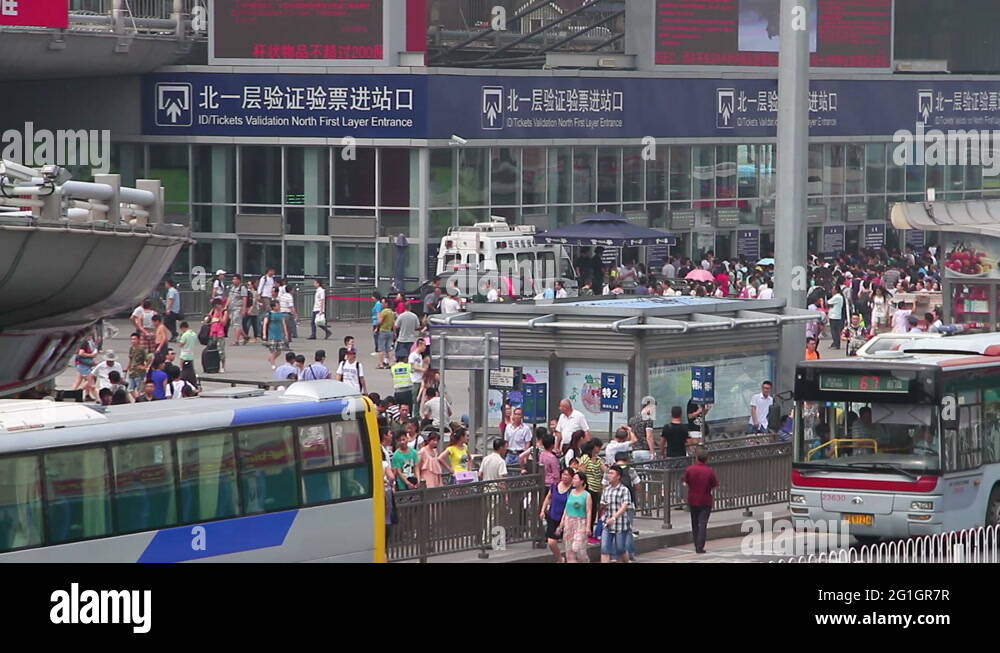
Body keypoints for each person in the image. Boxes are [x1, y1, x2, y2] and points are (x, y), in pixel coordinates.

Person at [683, 448, 719, 554]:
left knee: (694, 523)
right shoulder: (709, 471)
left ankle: (696, 543)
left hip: (692, 499)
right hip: (705, 499)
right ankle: (700, 546)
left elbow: (685, 483)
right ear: (707, 459)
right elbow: (714, 485)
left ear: (696, 457)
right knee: (703, 523)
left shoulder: (690, 469)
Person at [600, 465, 633, 564]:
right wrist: (603, 507)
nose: (609, 476)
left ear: (618, 476)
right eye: (608, 473)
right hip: (607, 523)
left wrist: (614, 518)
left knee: (620, 548)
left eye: (611, 473)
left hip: (620, 524)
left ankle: (626, 561)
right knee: (604, 548)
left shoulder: (624, 490)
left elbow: (624, 506)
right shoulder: (606, 490)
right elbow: (602, 503)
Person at [541, 467, 574, 562]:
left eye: (567, 475)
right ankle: (560, 558)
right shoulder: (554, 486)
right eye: (563, 474)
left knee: (568, 543)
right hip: (553, 516)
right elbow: (548, 498)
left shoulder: (572, 490)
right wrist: (543, 510)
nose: (565, 477)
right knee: (551, 542)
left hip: (566, 519)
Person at [559, 471, 593, 564]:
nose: (573, 480)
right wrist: (562, 522)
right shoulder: (571, 492)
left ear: (582, 481)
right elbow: (566, 508)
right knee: (569, 549)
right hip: (569, 521)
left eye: (575, 478)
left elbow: (589, 511)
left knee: (577, 547)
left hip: (580, 522)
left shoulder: (587, 495)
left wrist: (588, 527)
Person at [579, 439, 605, 541]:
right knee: (588, 510)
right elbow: (581, 471)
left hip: (596, 488)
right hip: (589, 487)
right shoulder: (585, 458)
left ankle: (590, 530)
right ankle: (585, 530)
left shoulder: (598, 459)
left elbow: (604, 469)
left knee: (594, 510)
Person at [629, 396, 658, 462]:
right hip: (645, 451)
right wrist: (652, 452)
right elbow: (649, 437)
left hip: (635, 451)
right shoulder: (648, 419)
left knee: (639, 471)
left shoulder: (633, 419)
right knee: (648, 471)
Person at [263, 300, 290, 369]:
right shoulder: (269, 314)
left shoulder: (281, 314)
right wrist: (264, 334)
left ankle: (271, 358)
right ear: (273, 306)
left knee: (279, 351)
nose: (279, 306)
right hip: (272, 335)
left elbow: (283, 324)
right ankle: (273, 364)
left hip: (279, 334)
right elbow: (265, 324)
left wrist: (286, 334)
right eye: (277, 305)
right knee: (273, 350)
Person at [72, 331, 99, 401]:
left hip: (81, 364)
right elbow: (81, 353)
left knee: (78, 381)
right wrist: (91, 355)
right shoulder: (85, 343)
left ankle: (72, 394)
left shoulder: (86, 342)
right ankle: (77, 392)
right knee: (91, 381)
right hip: (83, 365)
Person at [205, 298, 229, 374]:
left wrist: (219, 316)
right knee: (211, 348)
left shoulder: (224, 312)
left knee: (221, 350)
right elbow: (207, 320)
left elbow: (224, 323)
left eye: (217, 306)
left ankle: (223, 366)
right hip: (212, 332)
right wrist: (209, 317)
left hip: (220, 333)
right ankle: (212, 364)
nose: (216, 307)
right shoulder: (213, 311)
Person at [176, 321, 200, 388]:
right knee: (191, 368)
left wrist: (179, 341)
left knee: (182, 368)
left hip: (184, 353)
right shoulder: (194, 334)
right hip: (191, 353)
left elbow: (181, 344)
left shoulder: (185, 335)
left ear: (183, 327)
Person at [375, 298, 396, 369]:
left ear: (387, 304)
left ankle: (381, 364)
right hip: (389, 331)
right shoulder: (391, 312)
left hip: (383, 331)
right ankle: (390, 363)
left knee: (381, 348)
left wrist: (376, 326)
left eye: (383, 303)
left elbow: (380, 321)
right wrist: (394, 332)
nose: (382, 304)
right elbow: (393, 323)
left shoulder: (384, 312)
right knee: (389, 349)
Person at [827, 285, 846, 350]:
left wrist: (830, 305)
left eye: (833, 289)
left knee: (835, 331)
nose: (832, 290)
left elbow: (828, 302)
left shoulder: (837, 297)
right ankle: (835, 343)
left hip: (835, 316)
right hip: (834, 315)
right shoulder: (837, 297)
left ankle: (836, 344)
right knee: (834, 330)